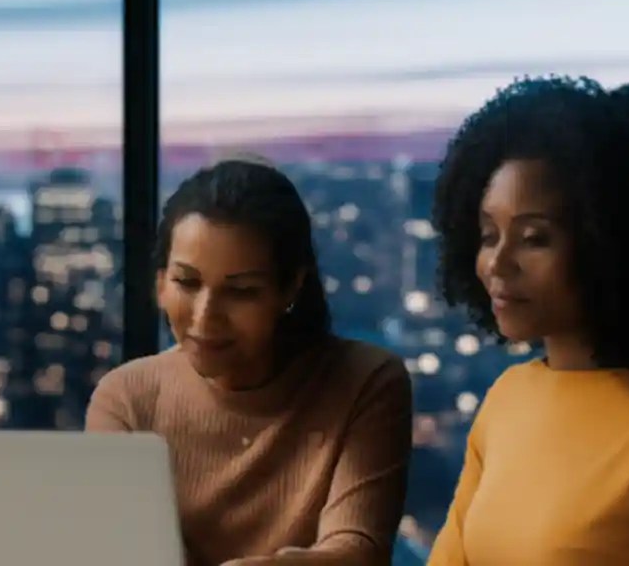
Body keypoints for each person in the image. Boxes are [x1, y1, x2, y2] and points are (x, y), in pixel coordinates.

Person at [427, 76, 629, 565]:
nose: (497, 263)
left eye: (534, 238)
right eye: (488, 235)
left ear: (613, 243)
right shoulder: (508, 396)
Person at [87, 158, 413, 566]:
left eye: (241, 291)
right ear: (160, 284)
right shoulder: (126, 397)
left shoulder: (366, 381)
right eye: (187, 282)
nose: (205, 317)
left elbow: (357, 552)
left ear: (290, 288)